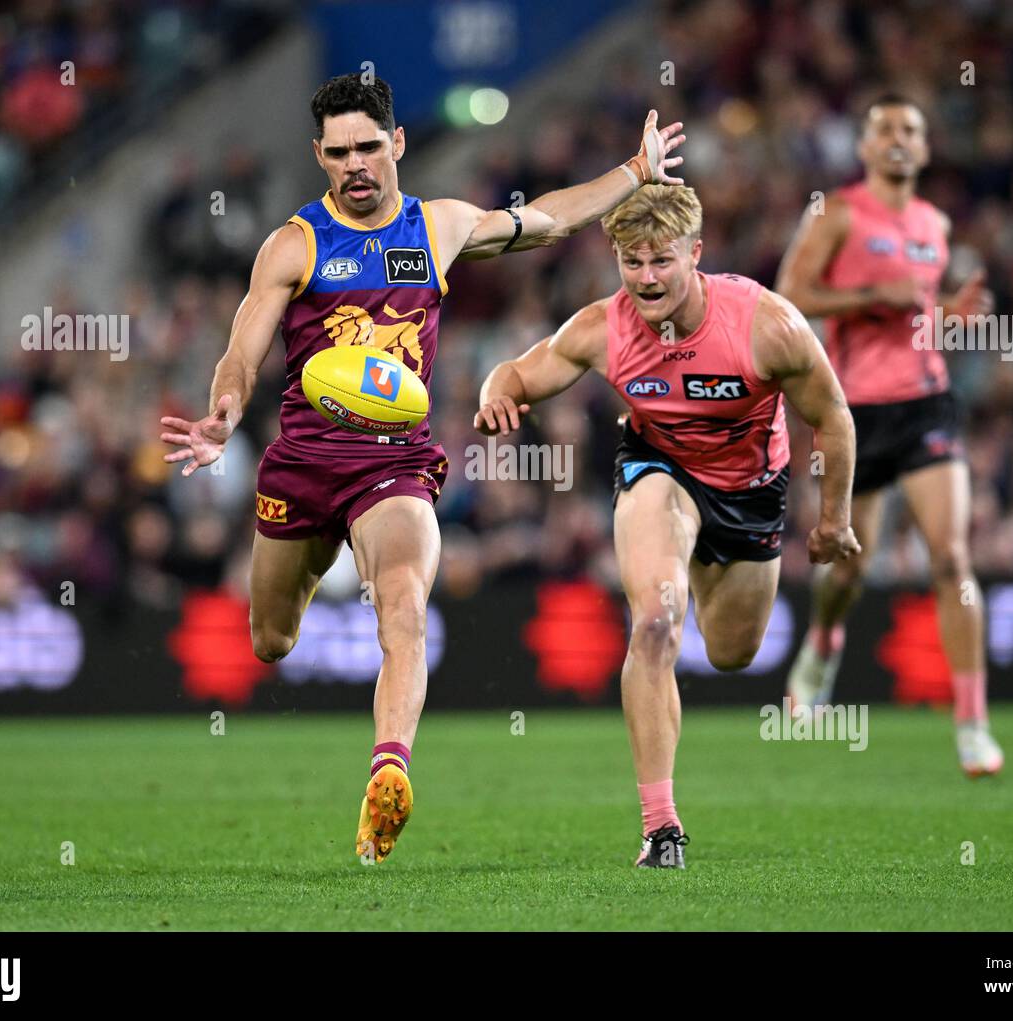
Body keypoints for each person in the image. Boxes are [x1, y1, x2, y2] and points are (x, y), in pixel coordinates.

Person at [159, 73, 684, 862]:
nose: (356, 164)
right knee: (270, 638)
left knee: (402, 605)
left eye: (369, 146)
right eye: (338, 153)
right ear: (319, 157)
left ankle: (388, 774)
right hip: (302, 463)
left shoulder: (436, 228)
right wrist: (225, 414)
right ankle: (319, 620)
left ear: (396, 143)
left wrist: (634, 175)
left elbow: (545, 220)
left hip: (393, 463)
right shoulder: (293, 245)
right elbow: (241, 351)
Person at [475, 184, 859, 867]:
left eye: (661, 261)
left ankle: (705, 578)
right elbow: (518, 373)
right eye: (631, 261)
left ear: (696, 254)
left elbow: (832, 416)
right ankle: (661, 826)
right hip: (659, 470)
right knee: (654, 620)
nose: (646, 278)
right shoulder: (603, 328)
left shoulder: (767, 325)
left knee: (731, 651)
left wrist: (833, 520)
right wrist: (497, 395)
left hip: (751, 492)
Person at [775, 94, 1004, 777]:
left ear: (926, 148)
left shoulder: (935, 222)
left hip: (927, 405)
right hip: (855, 411)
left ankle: (971, 723)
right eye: (885, 131)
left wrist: (952, 317)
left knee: (953, 559)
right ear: (866, 148)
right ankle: (822, 644)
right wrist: (875, 296)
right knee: (847, 568)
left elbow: (918, 314)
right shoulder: (836, 211)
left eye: (911, 129)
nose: (899, 140)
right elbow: (790, 294)